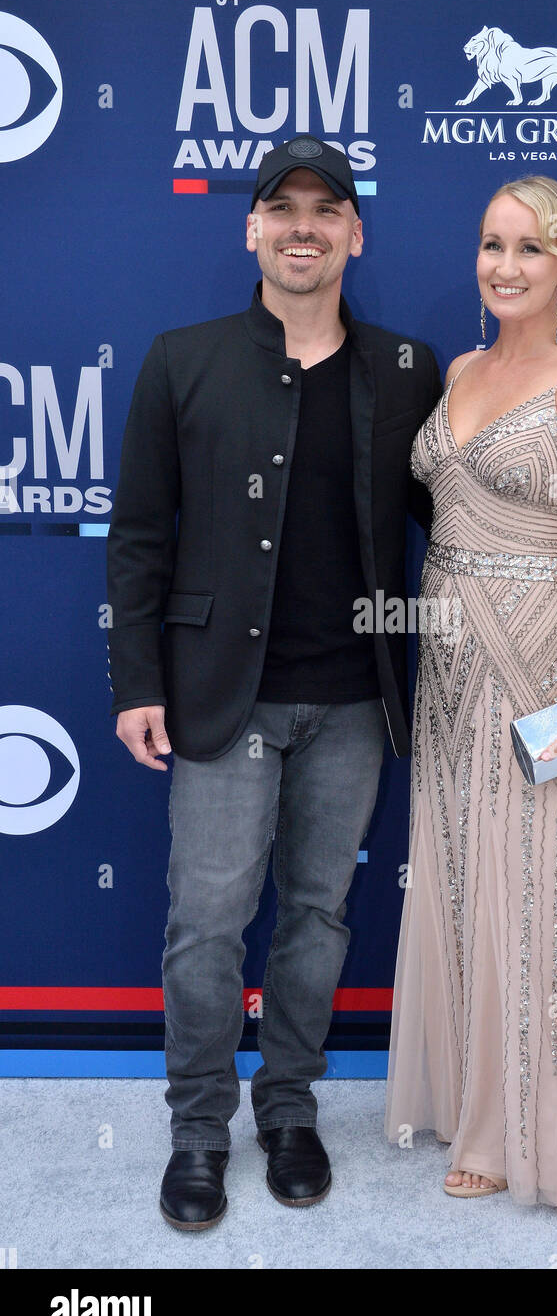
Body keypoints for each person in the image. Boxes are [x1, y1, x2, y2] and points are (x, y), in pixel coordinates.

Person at [106, 135, 441, 1230]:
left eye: (325, 208)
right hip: (220, 695)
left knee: (318, 915)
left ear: (355, 233)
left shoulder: (406, 372)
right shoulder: (181, 359)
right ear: (252, 228)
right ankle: (199, 1129)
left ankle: (287, 1108)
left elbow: (457, 527)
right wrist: (136, 678)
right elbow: (140, 540)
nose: (303, 225)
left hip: (353, 696)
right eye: (282, 206)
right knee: (205, 921)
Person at [384, 175, 557, 1214]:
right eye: (491, 244)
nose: (503, 266)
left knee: (531, 878)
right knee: (455, 869)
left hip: (538, 664)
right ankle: (472, 1092)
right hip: (444, 656)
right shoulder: (459, 369)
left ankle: (522, 1124)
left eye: (529, 249)